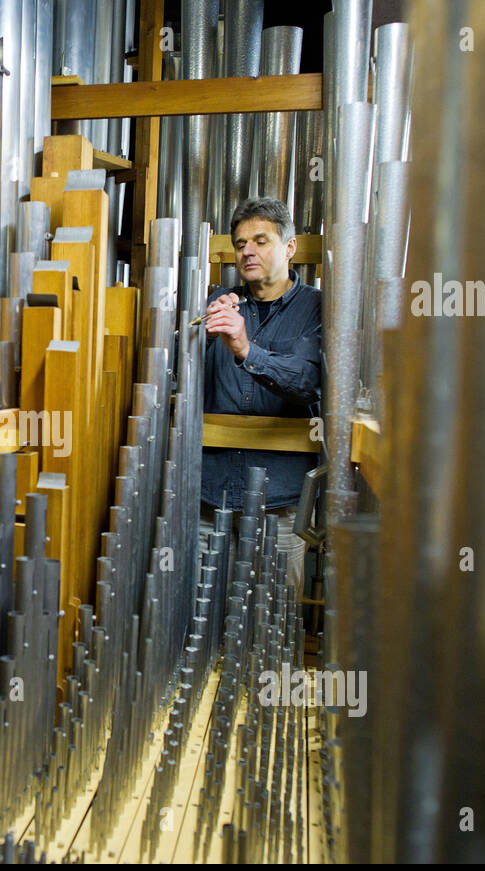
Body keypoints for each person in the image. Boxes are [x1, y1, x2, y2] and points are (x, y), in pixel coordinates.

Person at [199, 196, 321, 597]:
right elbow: (169, 379)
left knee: (275, 615)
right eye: (239, 243)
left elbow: (306, 383)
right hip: (210, 495)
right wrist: (197, 336)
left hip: (280, 499)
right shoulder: (219, 303)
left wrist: (246, 349)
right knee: (201, 610)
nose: (247, 250)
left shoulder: (318, 308)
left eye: (261, 240)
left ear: (290, 248)